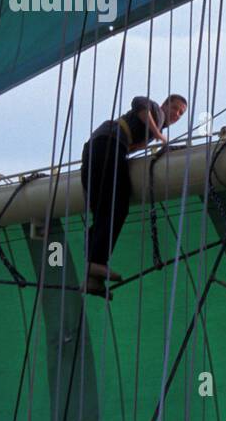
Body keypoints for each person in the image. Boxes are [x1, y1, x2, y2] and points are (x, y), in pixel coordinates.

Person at [80, 93, 187, 297]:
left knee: (102, 209)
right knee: (117, 205)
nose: (177, 115)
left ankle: (93, 278)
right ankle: (96, 263)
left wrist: (151, 139)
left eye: (181, 114)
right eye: (175, 108)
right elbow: (140, 104)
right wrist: (158, 135)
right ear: (165, 104)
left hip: (96, 147)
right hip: (109, 144)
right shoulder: (156, 111)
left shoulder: (152, 125)